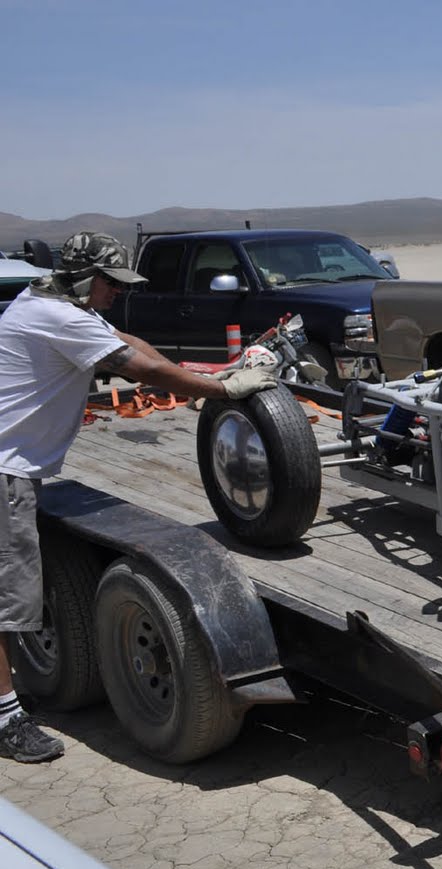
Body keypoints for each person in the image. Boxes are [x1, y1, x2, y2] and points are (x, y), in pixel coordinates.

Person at [0, 232, 278, 763]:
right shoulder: (58, 317)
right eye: (111, 283)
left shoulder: (51, 302)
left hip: (11, 470)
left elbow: (130, 343)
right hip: (3, 473)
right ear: (86, 278)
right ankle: (6, 720)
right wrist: (223, 390)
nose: (118, 292)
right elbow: (140, 369)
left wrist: (201, 376)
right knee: (7, 605)